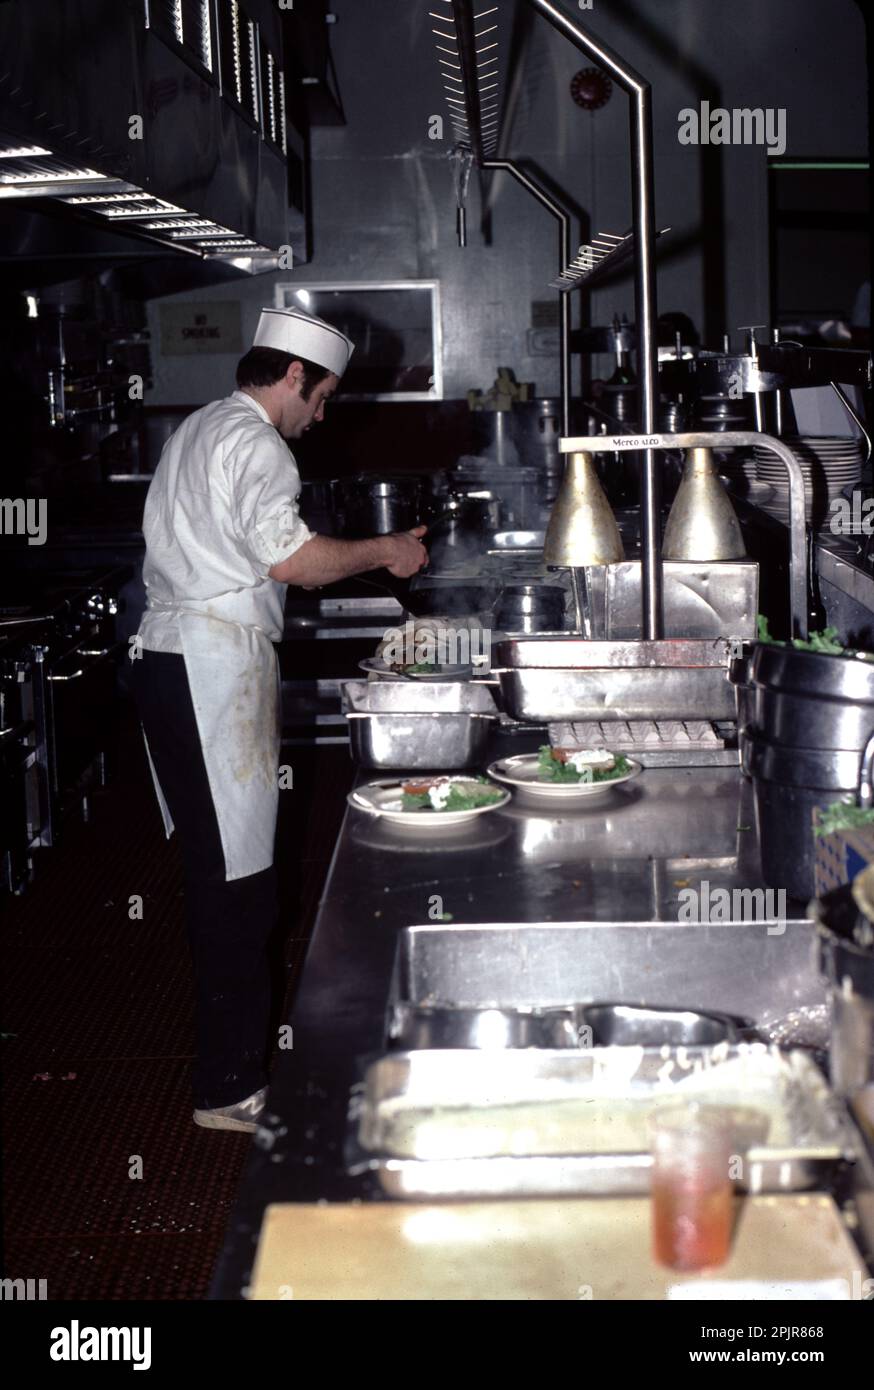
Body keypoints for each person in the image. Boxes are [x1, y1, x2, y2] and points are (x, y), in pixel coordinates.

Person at [131, 307, 427, 1132]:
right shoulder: (261, 444)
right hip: (212, 667)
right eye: (323, 396)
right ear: (294, 375)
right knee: (240, 887)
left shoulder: (200, 425)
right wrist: (386, 551)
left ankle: (226, 1069)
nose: (321, 415)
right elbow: (292, 562)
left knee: (218, 876)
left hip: (168, 660)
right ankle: (228, 1088)